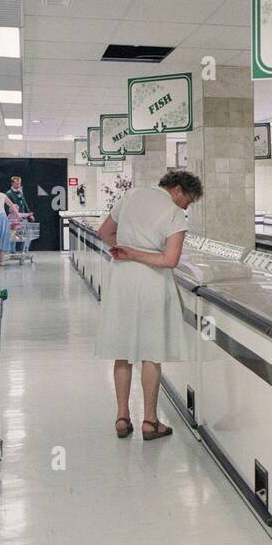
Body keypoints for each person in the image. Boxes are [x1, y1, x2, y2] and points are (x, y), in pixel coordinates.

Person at [96, 170, 203, 440]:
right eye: (187, 200)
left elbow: (104, 231)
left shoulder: (130, 196)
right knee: (150, 353)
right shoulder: (174, 213)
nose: (186, 206)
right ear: (178, 190)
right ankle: (150, 421)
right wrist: (137, 253)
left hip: (121, 278)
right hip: (152, 282)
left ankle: (122, 418)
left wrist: (123, 249)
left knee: (122, 351)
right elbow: (169, 260)